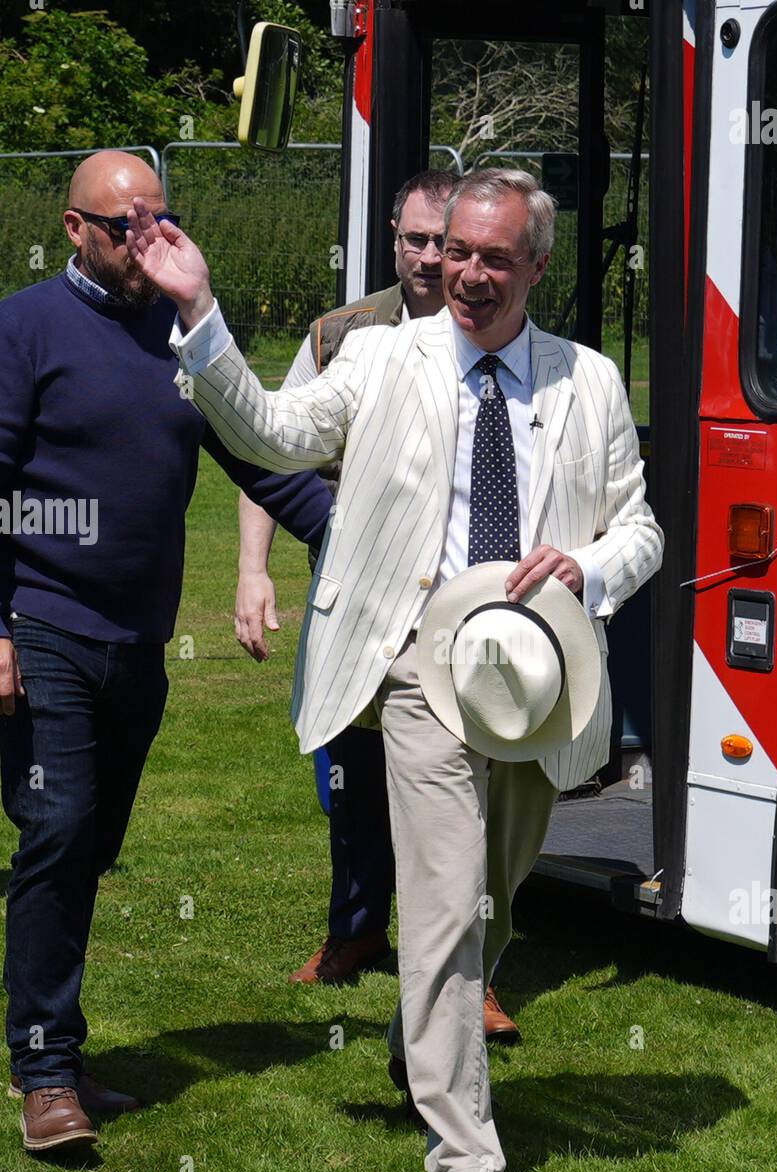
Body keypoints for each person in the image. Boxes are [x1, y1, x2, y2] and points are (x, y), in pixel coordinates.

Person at [126, 167, 664, 1172]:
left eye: (492, 259)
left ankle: (422, 1039)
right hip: (420, 668)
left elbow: (640, 530)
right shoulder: (378, 355)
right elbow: (274, 432)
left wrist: (589, 569)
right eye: (454, 251)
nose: (465, 273)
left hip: (540, 679)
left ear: (536, 268)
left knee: (496, 901)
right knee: (444, 897)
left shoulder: (589, 382)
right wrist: (198, 311)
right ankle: (465, 1163)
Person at [0, 151, 333, 1153]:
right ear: (72, 230)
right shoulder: (24, 327)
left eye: (159, 221)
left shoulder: (185, 337)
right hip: (43, 620)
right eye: (120, 225)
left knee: (86, 848)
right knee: (58, 830)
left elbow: (262, 456)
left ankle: (51, 1026)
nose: (143, 241)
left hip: (138, 641)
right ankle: (47, 1072)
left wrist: (365, 535)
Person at [236, 169, 520, 1041]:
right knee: (354, 778)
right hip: (357, 594)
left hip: (466, 604)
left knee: (468, 789)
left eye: (448, 242)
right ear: (393, 240)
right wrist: (254, 571)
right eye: (418, 240)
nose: (434, 258)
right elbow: (270, 442)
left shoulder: (503, 335)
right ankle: (354, 933)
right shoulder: (342, 334)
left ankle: (471, 978)